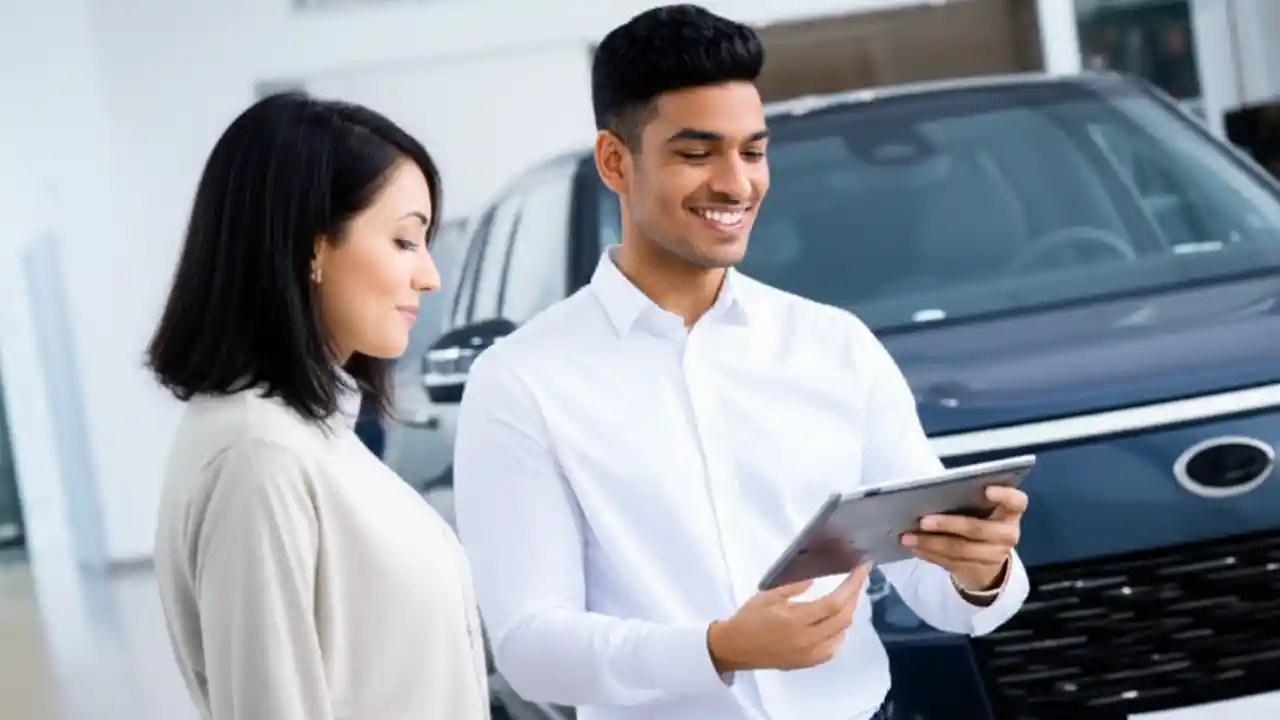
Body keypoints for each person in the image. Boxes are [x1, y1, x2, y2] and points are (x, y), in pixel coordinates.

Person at [453, 5, 1030, 720]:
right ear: (615, 161)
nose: (735, 184)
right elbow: (530, 648)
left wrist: (982, 570)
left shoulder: (834, 346)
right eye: (697, 154)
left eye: (752, 152)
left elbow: (939, 595)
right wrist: (718, 648)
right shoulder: (521, 381)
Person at [149, 92, 489, 720]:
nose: (430, 276)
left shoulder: (307, 437)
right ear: (313, 248)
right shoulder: (260, 454)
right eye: (405, 241)